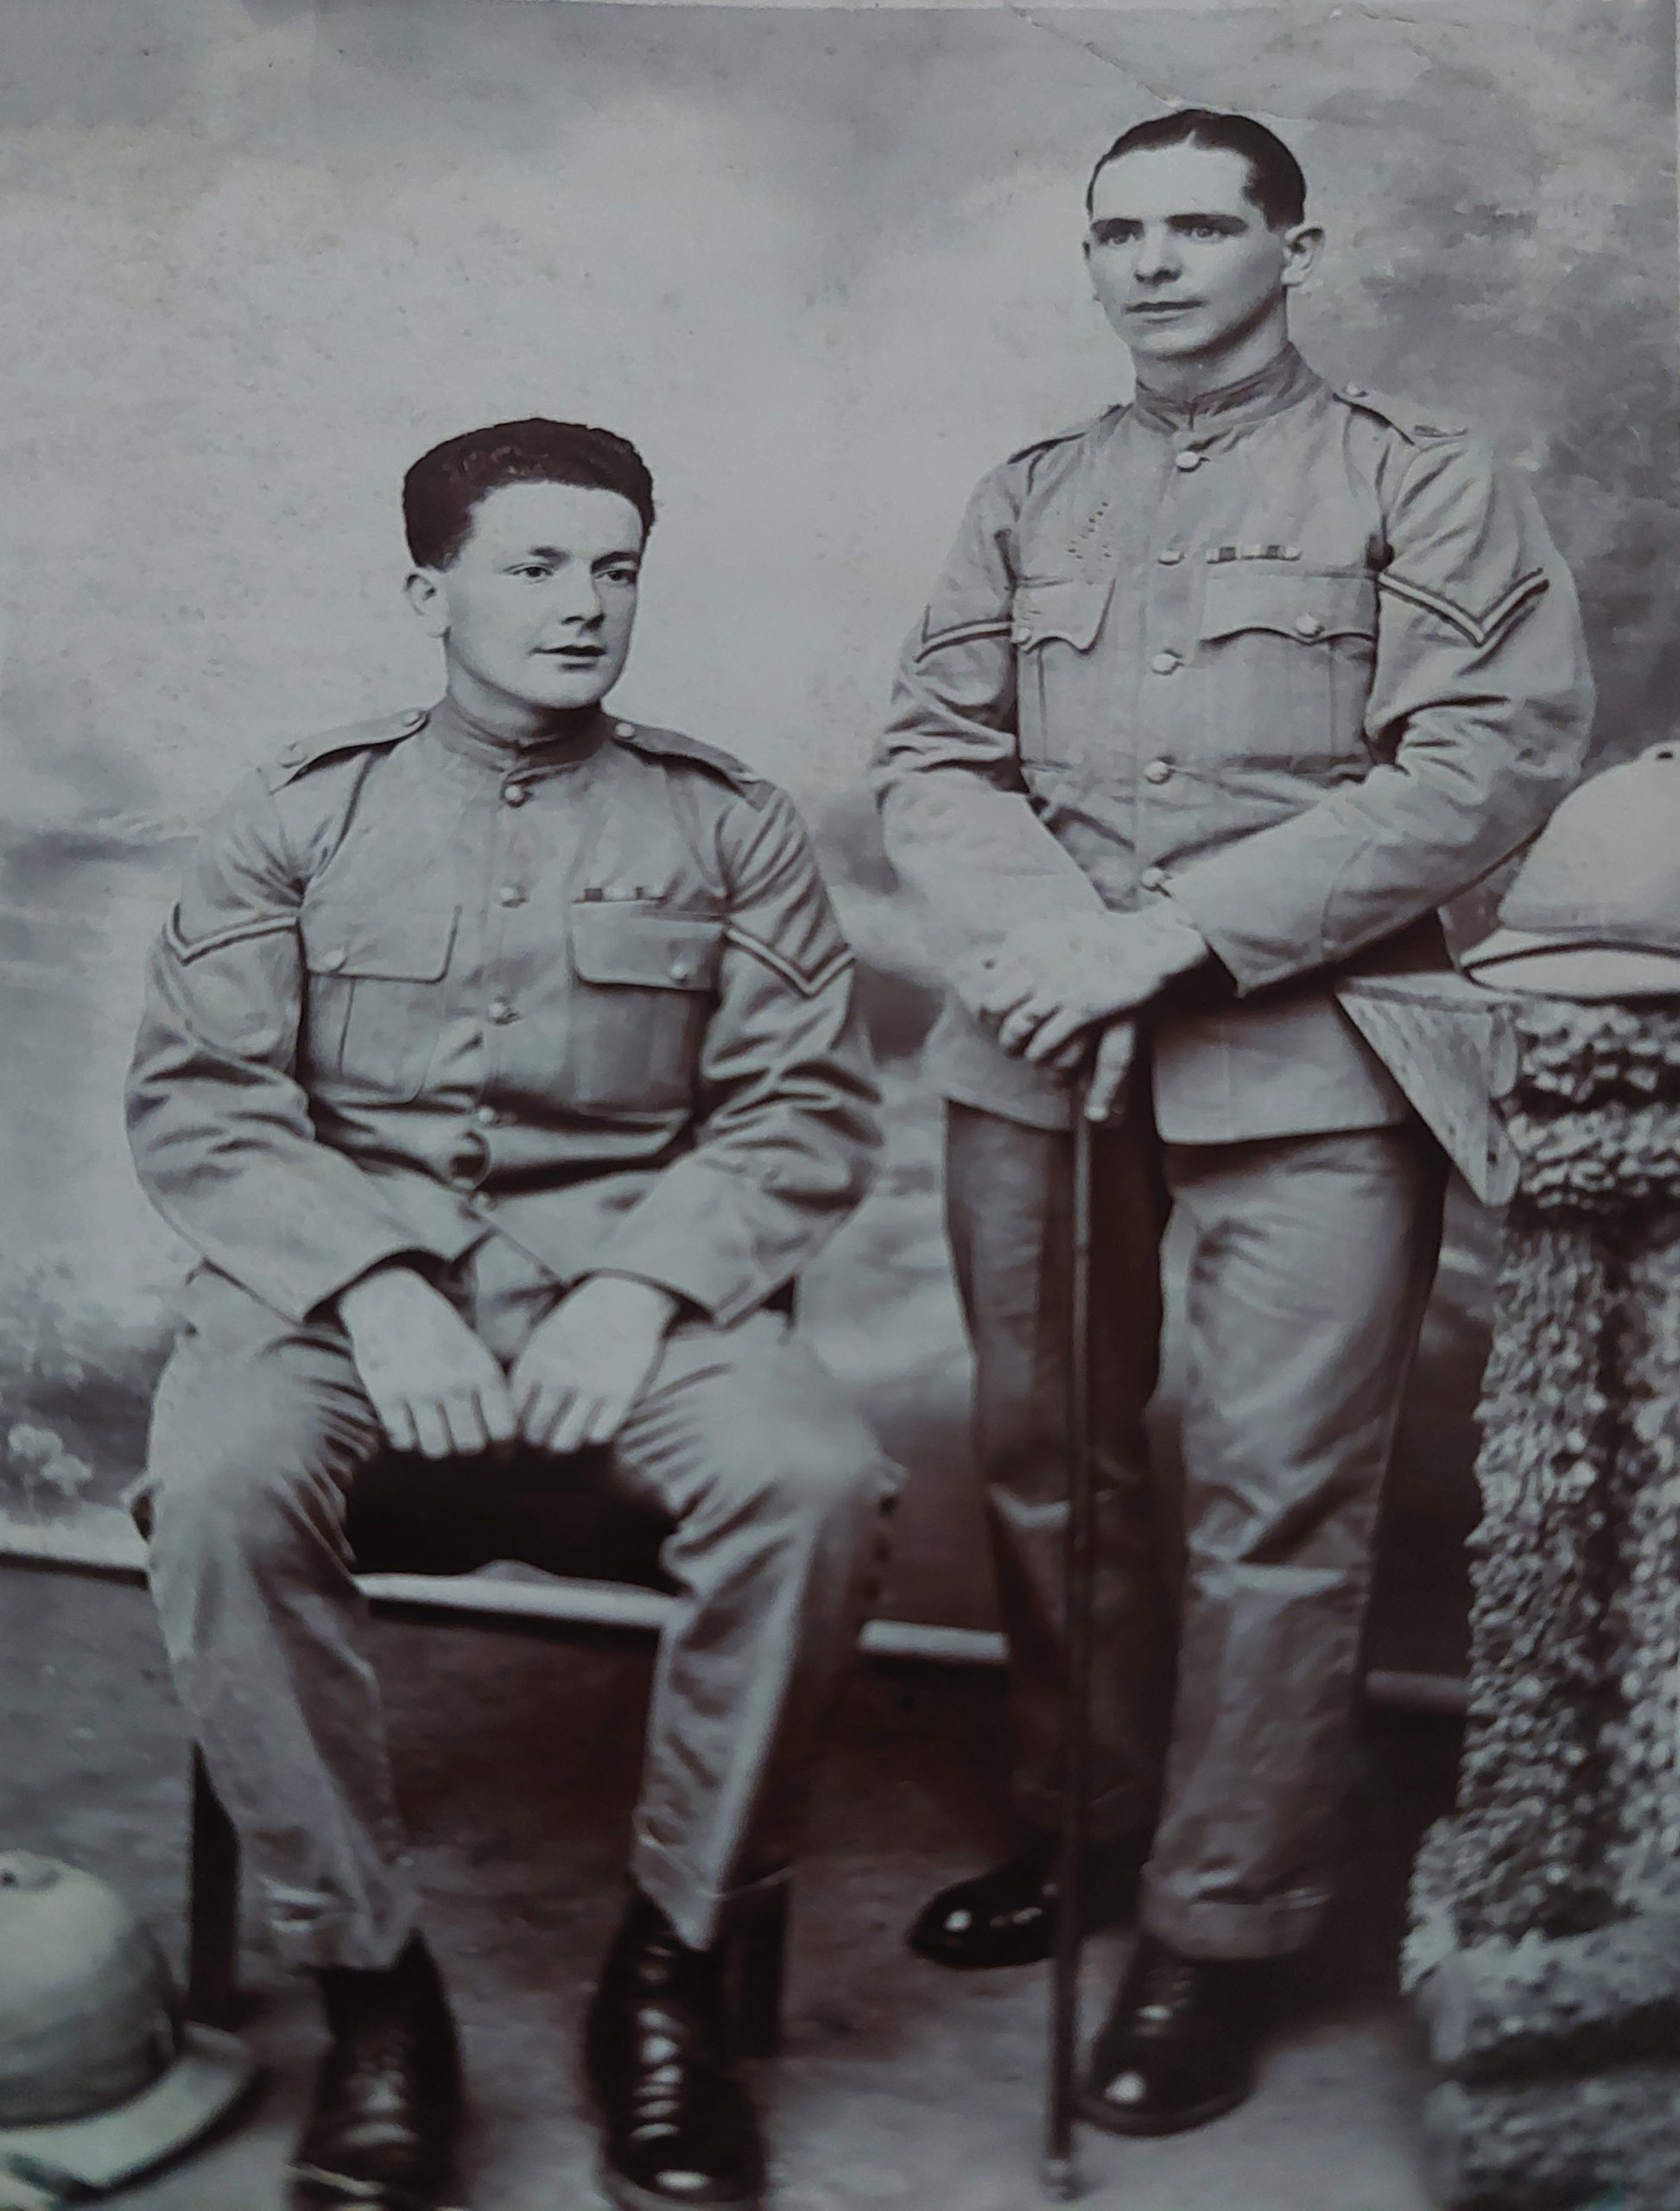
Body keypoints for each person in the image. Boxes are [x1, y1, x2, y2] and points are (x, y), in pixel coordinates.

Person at [870, 109, 1594, 2135]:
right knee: (1045, 1459)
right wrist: (1056, 942)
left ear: (1297, 246)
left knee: (1277, 1500)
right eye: (1120, 231)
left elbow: (1486, 760)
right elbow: (930, 752)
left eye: (1202, 225)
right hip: (1039, 1037)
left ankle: (1220, 1918)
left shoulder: (1422, 479)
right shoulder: (1027, 494)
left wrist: (1175, 937)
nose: (1157, 261)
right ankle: (1083, 1822)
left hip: (1309, 1055)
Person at [126, 417, 897, 2211]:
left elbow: (802, 1106)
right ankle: (375, 1992)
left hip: (634, 1300)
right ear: (429, 594)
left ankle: (670, 1975)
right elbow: (204, 1101)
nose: (583, 605)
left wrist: (640, 1286)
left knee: (810, 1482)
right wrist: (372, 1282)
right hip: (337, 1304)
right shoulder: (299, 810)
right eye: (534, 566)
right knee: (218, 1486)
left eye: (615, 569)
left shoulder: (725, 822)